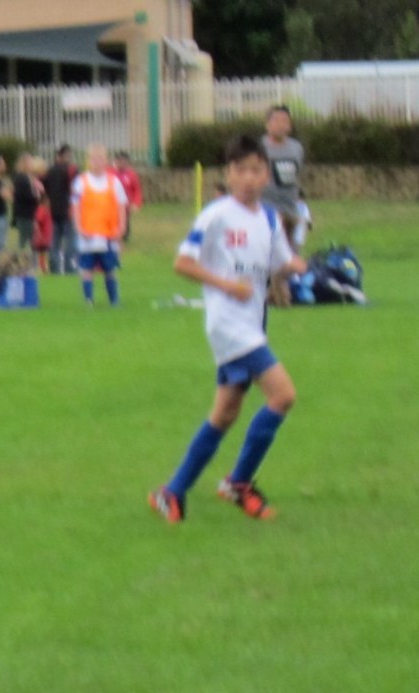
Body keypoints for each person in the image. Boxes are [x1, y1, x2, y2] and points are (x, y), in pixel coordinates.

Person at [149, 135, 307, 525]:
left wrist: (295, 269)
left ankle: (171, 492)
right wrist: (224, 285)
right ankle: (237, 483)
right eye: (241, 171)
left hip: (252, 323)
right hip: (228, 324)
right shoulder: (216, 215)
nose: (250, 178)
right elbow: (182, 264)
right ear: (229, 174)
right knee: (283, 394)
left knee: (224, 414)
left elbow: (278, 263)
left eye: (257, 170)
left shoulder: (270, 218)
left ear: (266, 174)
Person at [72, 142, 128, 309]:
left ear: (106, 161)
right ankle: (89, 299)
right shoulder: (80, 182)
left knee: (110, 268)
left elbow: (121, 206)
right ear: (88, 161)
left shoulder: (114, 182)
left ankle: (114, 300)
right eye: (94, 159)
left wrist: (121, 227)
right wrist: (79, 227)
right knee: (87, 269)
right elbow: (75, 207)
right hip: (88, 234)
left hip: (109, 234)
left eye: (101, 159)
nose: (97, 162)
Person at [261, 105, 307, 251]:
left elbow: (297, 174)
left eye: (285, 121)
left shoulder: (296, 148)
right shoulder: (259, 148)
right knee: (269, 251)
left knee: (290, 254)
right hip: (266, 207)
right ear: (267, 124)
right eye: (277, 120)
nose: (281, 125)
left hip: (290, 207)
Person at [43, 144, 77, 275]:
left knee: (55, 240)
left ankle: (55, 267)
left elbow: (45, 189)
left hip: (54, 209)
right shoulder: (71, 171)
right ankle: (69, 266)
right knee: (70, 240)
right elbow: (76, 190)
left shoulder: (50, 171)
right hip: (68, 209)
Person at [11, 154, 43, 252]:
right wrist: (37, 196)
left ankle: (31, 260)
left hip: (31, 212)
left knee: (31, 238)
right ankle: (23, 259)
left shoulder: (30, 177)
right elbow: (23, 195)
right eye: (30, 162)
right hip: (25, 213)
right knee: (25, 239)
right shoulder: (21, 178)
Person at [112, 150, 143, 243]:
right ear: (116, 161)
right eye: (120, 161)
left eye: (125, 161)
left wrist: (136, 203)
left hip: (125, 205)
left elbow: (137, 190)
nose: (123, 163)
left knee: (125, 224)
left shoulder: (131, 175)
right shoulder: (109, 173)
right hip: (111, 204)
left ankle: (123, 236)